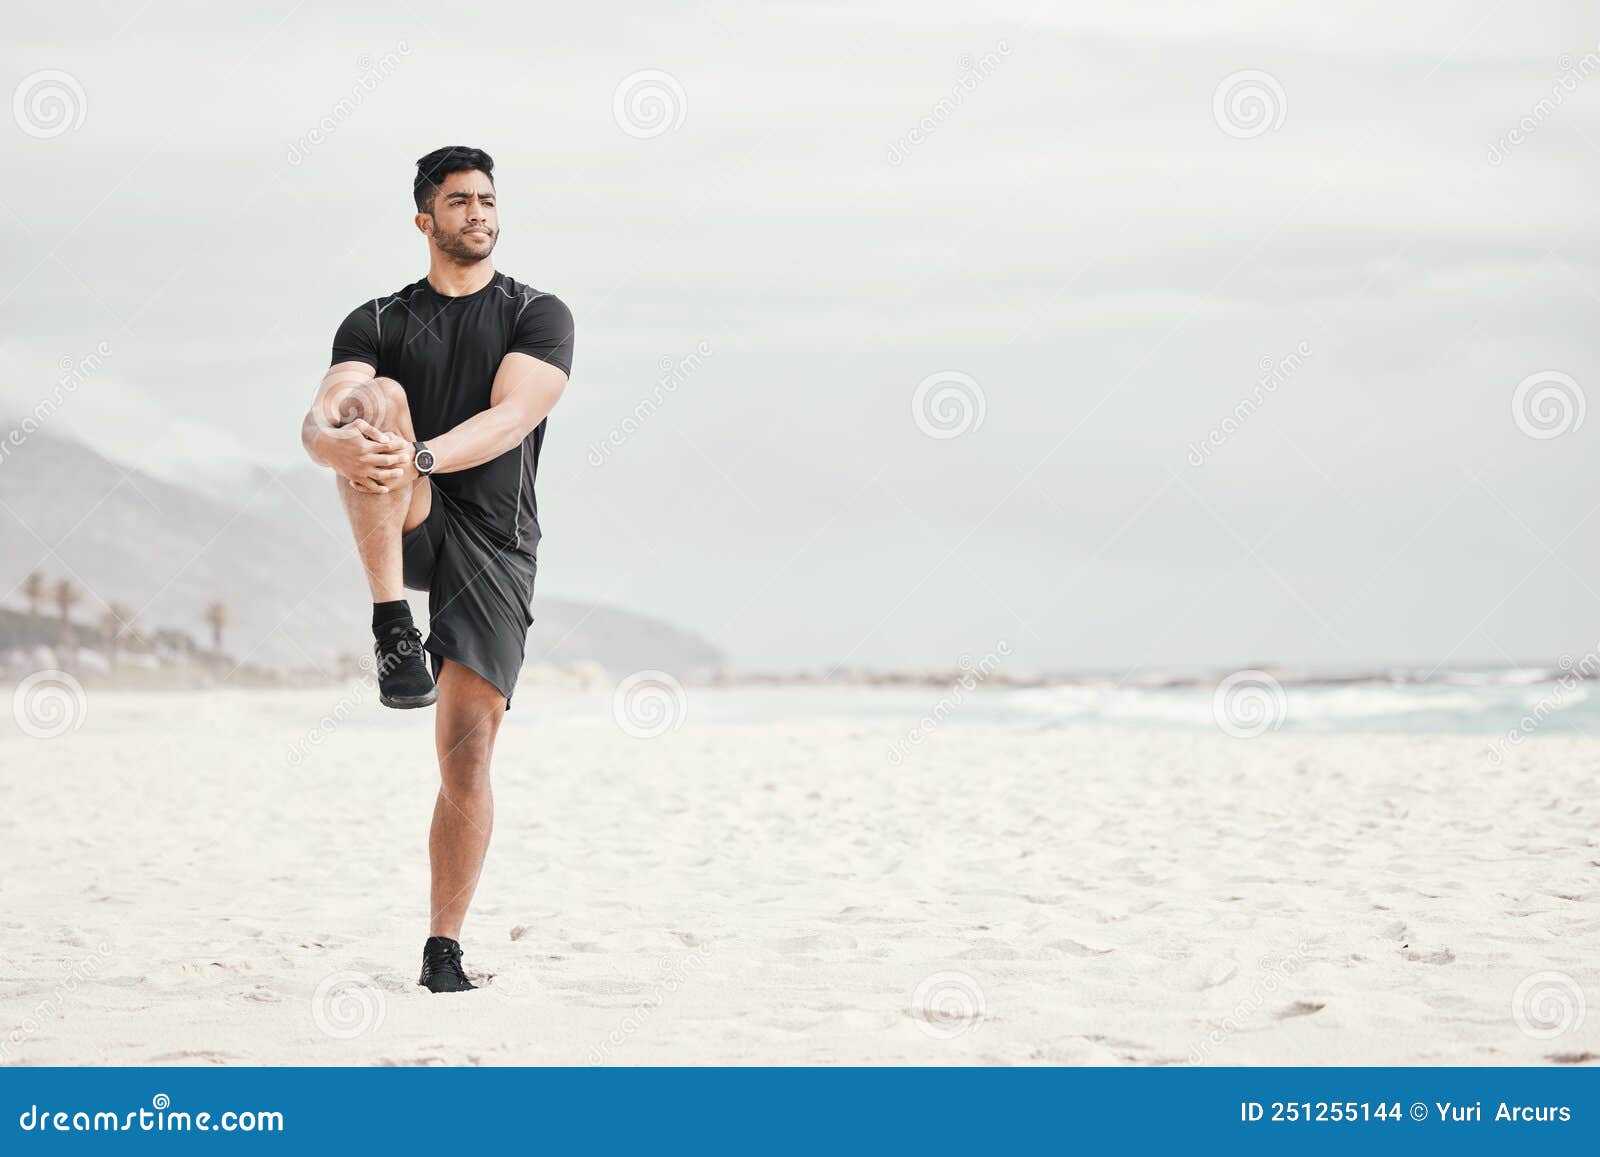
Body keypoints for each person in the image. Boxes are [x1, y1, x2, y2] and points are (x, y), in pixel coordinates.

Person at [298, 146, 574, 993]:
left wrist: (414, 457)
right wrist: (330, 439)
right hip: (407, 524)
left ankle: (442, 947)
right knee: (372, 404)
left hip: (494, 539)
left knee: (467, 751)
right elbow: (323, 413)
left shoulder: (537, 312)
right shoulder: (377, 319)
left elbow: (510, 418)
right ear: (426, 219)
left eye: (487, 199)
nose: (478, 213)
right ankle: (391, 623)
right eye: (459, 201)